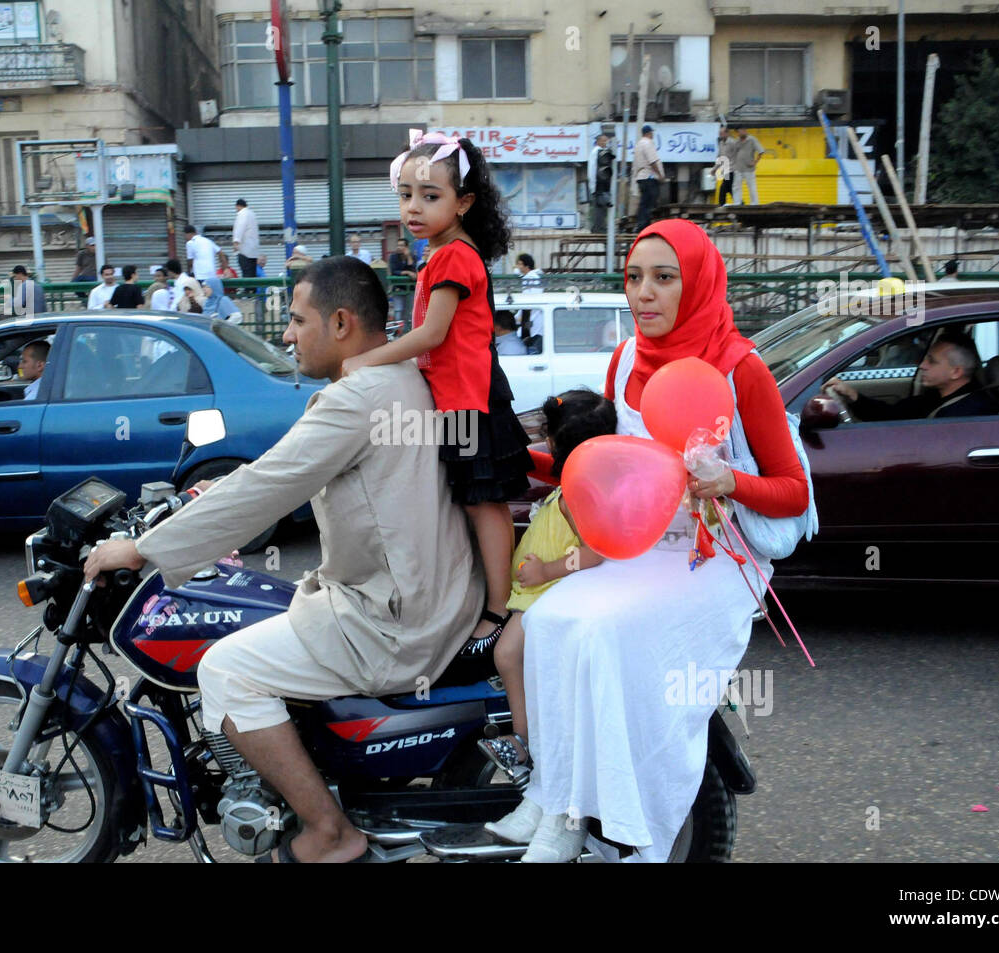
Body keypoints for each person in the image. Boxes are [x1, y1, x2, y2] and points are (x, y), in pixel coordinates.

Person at [83, 255, 486, 863]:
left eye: (298, 321)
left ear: (342, 322)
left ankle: (329, 831)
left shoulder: (355, 398)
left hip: (393, 621)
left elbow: (273, 484)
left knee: (225, 671)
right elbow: (276, 470)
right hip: (434, 596)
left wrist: (143, 549)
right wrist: (204, 499)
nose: (287, 335)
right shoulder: (401, 378)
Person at [495, 219, 809, 862]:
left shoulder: (741, 368)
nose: (644, 293)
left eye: (664, 278)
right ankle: (557, 802)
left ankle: (629, 828)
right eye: (635, 277)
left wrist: (729, 479)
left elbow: (792, 490)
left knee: (602, 630)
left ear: (696, 284)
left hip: (714, 558)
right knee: (553, 619)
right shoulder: (625, 358)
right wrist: (513, 457)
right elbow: (611, 473)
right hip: (638, 549)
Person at [345, 132, 532, 653]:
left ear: (464, 202)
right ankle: (489, 600)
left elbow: (431, 335)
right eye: (406, 194)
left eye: (431, 195)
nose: (414, 206)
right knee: (474, 505)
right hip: (460, 402)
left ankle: (498, 609)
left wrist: (364, 358)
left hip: (469, 403)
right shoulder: (445, 253)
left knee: (484, 506)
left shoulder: (452, 257)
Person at [479, 390, 612, 792]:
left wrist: (546, 570)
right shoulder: (577, 480)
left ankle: (524, 740)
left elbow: (595, 554)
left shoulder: (579, 496)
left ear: (555, 443)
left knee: (506, 653)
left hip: (544, 592)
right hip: (534, 589)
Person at [822, 332, 995, 420]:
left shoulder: (968, 413)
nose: (922, 365)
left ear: (956, 372)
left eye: (931, 361)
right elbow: (891, 414)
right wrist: (853, 395)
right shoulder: (934, 397)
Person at [632, 124, 665, 230]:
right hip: (648, 177)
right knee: (650, 202)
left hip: (641, 177)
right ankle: (644, 225)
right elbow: (652, 161)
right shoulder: (648, 143)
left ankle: (641, 224)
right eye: (652, 133)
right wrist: (660, 175)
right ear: (649, 133)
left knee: (644, 202)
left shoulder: (638, 144)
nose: (652, 135)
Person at [587, 133, 615, 233]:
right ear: (598, 141)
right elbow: (592, 169)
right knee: (598, 209)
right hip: (597, 185)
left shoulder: (604, 153)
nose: (605, 143)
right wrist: (593, 186)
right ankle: (598, 228)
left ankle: (601, 227)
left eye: (606, 141)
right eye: (603, 141)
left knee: (603, 209)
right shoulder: (595, 152)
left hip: (603, 184)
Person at [388, 238, 417, 328]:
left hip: (410, 288)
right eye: (398, 245)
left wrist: (408, 257)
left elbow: (413, 270)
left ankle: (408, 331)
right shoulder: (393, 257)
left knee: (410, 311)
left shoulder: (412, 256)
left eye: (402, 245)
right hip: (398, 287)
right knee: (398, 311)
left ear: (407, 247)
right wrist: (406, 273)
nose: (399, 247)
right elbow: (394, 271)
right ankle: (397, 331)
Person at [730, 128, 764, 205]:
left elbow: (761, 151)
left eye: (741, 131)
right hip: (738, 167)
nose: (739, 133)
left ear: (745, 131)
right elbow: (734, 153)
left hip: (749, 168)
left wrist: (755, 162)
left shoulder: (752, 140)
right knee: (736, 186)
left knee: (751, 186)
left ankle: (755, 203)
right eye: (738, 132)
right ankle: (737, 202)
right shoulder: (737, 141)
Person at [232, 198, 261, 277]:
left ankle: (248, 289)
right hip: (253, 251)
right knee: (252, 274)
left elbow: (240, 228)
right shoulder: (252, 214)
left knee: (246, 274)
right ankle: (252, 289)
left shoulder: (242, 214)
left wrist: (236, 243)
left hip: (245, 250)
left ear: (237, 206)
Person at [715, 126, 735, 205]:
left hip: (732, 170)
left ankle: (722, 205)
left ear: (727, 133)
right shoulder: (721, 143)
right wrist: (715, 168)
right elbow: (720, 156)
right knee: (730, 189)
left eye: (721, 133)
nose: (720, 135)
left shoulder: (732, 143)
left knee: (723, 188)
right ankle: (740, 203)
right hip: (726, 170)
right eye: (719, 134)